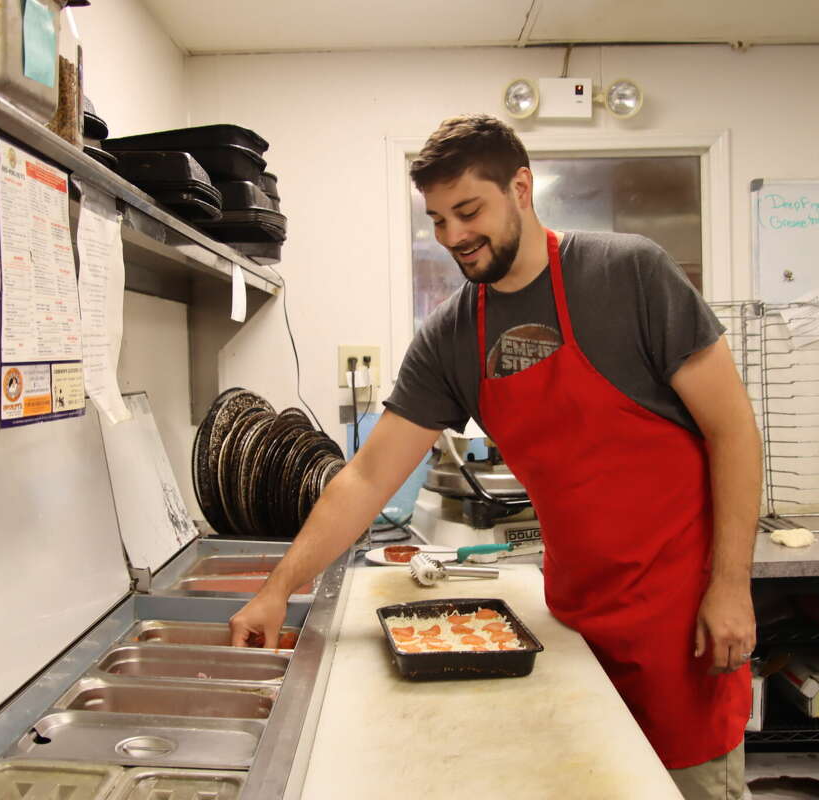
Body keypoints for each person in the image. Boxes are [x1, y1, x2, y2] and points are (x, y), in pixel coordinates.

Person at [229, 113, 760, 799]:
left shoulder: (628, 274)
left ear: (521, 186)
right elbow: (366, 477)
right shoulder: (452, 334)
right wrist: (279, 587)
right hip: (569, 624)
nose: (454, 237)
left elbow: (734, 431)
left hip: (680, 625)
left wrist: (731, 585)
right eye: (438, 220)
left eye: (468, 211)